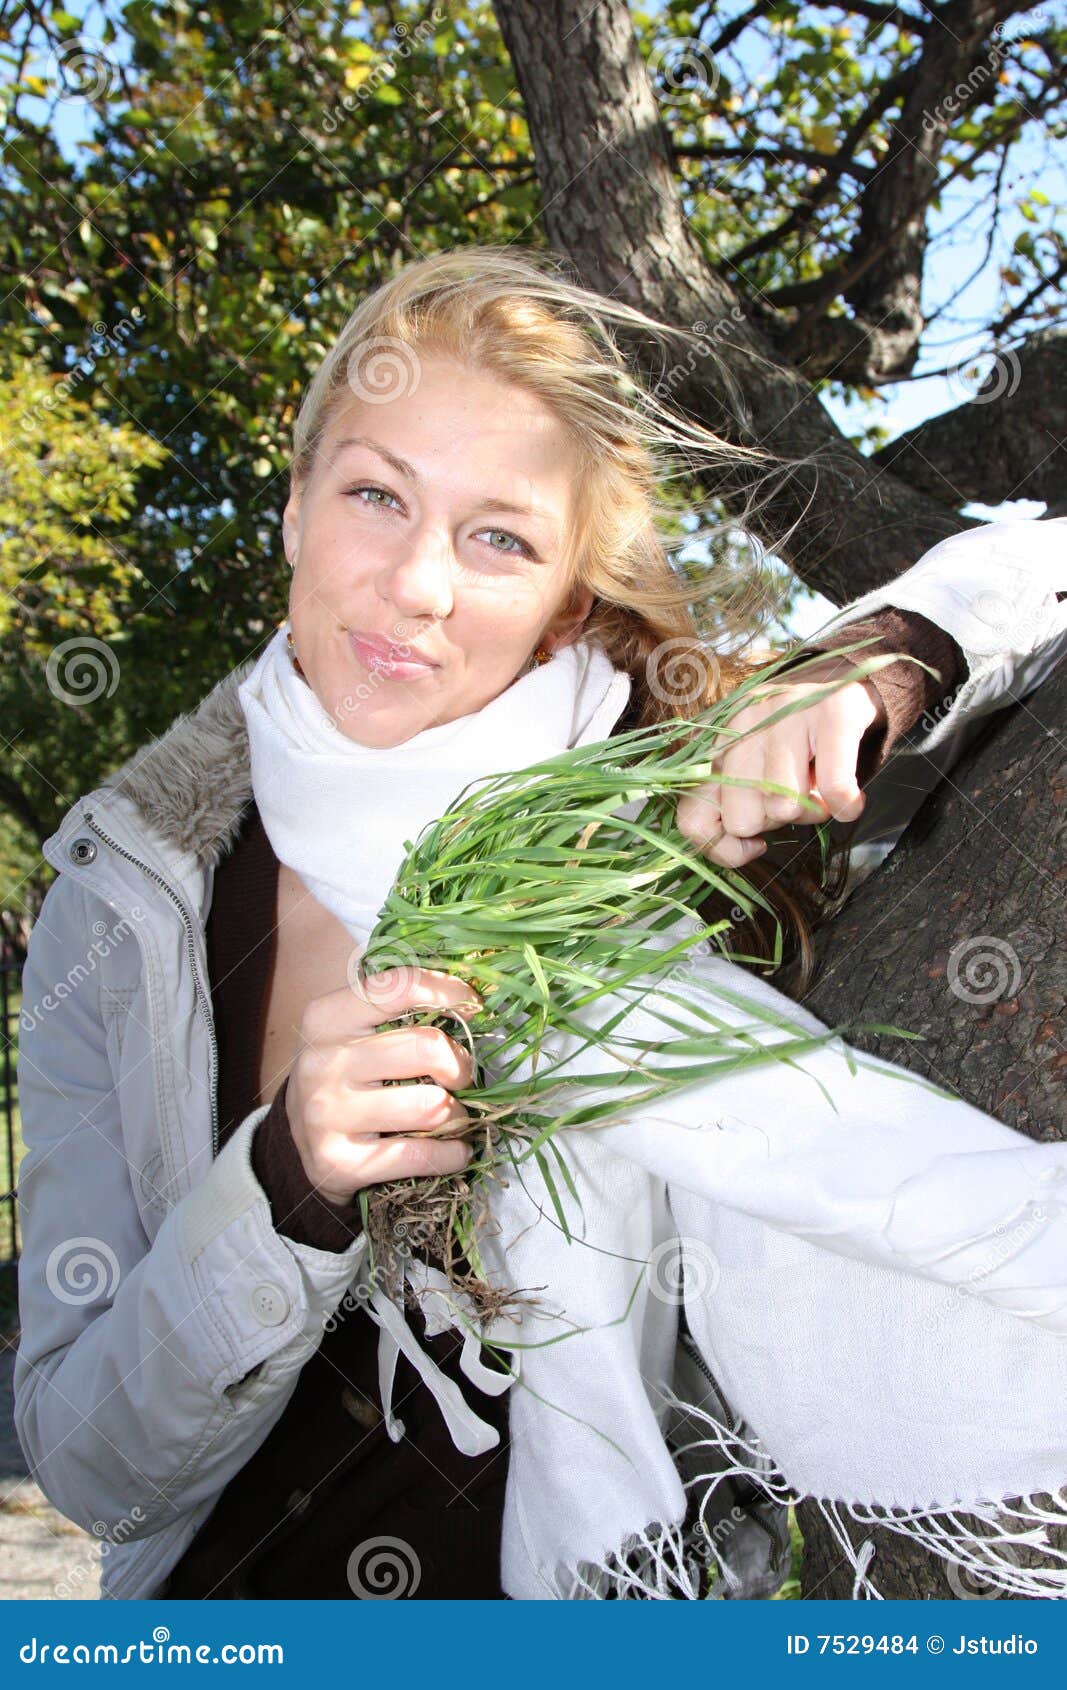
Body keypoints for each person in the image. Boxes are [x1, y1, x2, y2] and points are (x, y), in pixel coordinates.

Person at [13, 246, 1066, 1602]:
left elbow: (1043, 561)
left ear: (572, 592)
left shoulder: (671, 799)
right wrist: (284, 1177)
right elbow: (91, 1465)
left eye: (498, 535)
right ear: (291, 510)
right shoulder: (127, 905)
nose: (419, 585)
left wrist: (886, 655)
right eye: (376, 495)